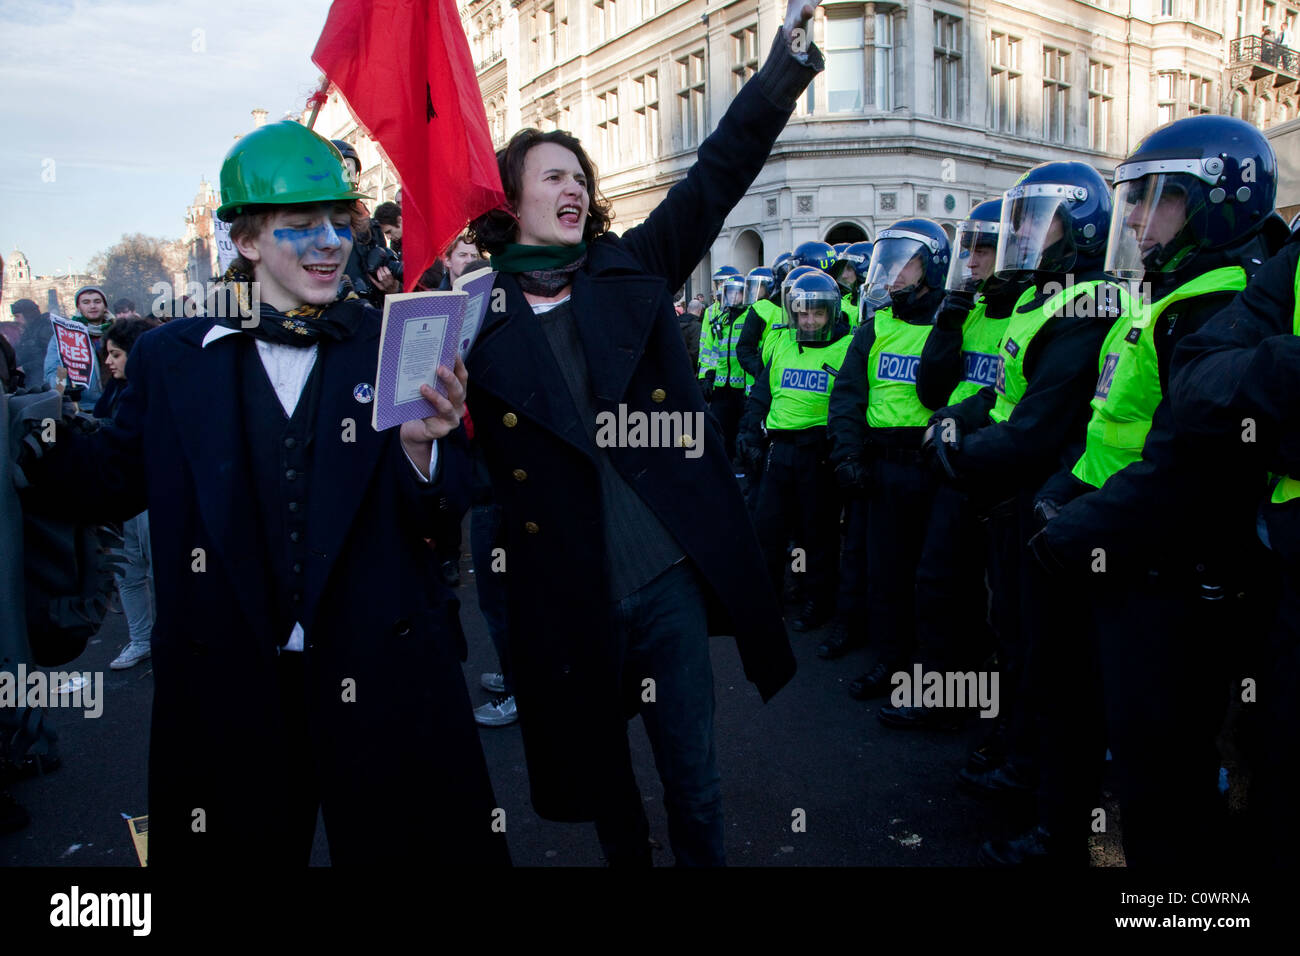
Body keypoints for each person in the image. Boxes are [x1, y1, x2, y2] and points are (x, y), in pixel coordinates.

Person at [19, 120, 508, 867]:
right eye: (300, 225)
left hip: (382, 670)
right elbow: (112, 479)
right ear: (246, 239)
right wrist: (33, 433)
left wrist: (424, 452)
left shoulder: (395, 338)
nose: (328, 242)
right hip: (228, 683)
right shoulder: (171, 358)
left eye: (338, 222)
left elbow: (443, 517)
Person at [463, 2, 821, 866]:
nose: (573, 188)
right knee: (607, 785)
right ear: (510, 200)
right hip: (567, 595)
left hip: (664, 581)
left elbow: (717, 173)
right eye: (551, 176)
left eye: (579, 176)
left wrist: (785, 63)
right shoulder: (473, 318)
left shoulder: (631, 267)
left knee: (693, 780)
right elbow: (458, 472)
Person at [1028, 115, 1287, 867]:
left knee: (1165, 784)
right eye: (1133, 199)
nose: (1136, 218)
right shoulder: (1170, 293)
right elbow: (1105, 423)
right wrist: (1067, 493)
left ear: (1215, 201)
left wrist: (1078, 525)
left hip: (1172, 577)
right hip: (1126, 554)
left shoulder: (1218, 304)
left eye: (1156, 198)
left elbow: (1190, 471)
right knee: (1138, 762)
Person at [926, 162, 1130, 864]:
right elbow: (1003, 393)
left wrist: (957, 451)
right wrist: (956, 420)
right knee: (1016, 638)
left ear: (1080, 230)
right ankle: (1023, 764)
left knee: (1051, 663)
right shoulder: (1047, 300)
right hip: (1024, 500)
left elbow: (1038, 428)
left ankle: (1052, 811)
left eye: (1038, 224)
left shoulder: (1089, 305)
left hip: (1054, 504)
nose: (1022, 239)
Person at [828, 219, 950, 698]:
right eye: (890, 264)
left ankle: (933, 677)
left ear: (931, 268)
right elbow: (847, 396)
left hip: (937, 468)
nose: (894, 276)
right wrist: (847, 455)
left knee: (937, 578)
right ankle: (892, 662)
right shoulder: (875, 325)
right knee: (886, 572)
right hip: (883, 466)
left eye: (906, 265)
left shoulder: (954, 322)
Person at [739, 269, 852, 632]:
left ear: (831, 313)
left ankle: (815, 599)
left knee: (815, 536)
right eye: (802, 313)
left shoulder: (847, 348)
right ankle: (770, 598)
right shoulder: (782, 345)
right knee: (769, 531)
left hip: (817, 454)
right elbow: (761, 395)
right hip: (779, 452)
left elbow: (849, 405)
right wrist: (749, 437)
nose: (809, 321)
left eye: (817, 313)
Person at [95, 317, 159, 670]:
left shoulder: (158, 391)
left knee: (161, 572)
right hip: (122, 501)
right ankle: (140, 640)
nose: (108, 361)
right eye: (107, 354)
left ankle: (170, 641)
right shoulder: (113, 392)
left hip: (152, 496)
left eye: (116, 354)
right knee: (129, 574)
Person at [44, 286, 109, 406]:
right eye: (86, 302)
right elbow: (55, 369)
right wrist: (63, 388)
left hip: (120, 403)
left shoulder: (120, 330)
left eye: (97, 301)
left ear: (104, 305)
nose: (92, 306)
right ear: (78, 307)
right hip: (85, 407)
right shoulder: (64, 335)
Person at [10, 299, 52, 382]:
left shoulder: (46, 329)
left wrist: (25, 368)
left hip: (45, 381)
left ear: (28, 315)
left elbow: (52, 358)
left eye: (17, 316)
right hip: (29, 379)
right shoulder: (28, 331)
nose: (15, 320)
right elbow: (19, 351)